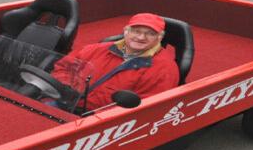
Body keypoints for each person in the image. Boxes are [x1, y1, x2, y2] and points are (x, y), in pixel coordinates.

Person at [51, 13, 179, 111]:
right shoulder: (95, 49)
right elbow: (63, 68)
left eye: (150, 34)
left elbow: (148, 107)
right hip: (64, 102)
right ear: (126, 31)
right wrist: (66, 87)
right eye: (136, 31)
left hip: (100, 119)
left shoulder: (165, 69)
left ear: (159, 38)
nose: (141, 37)